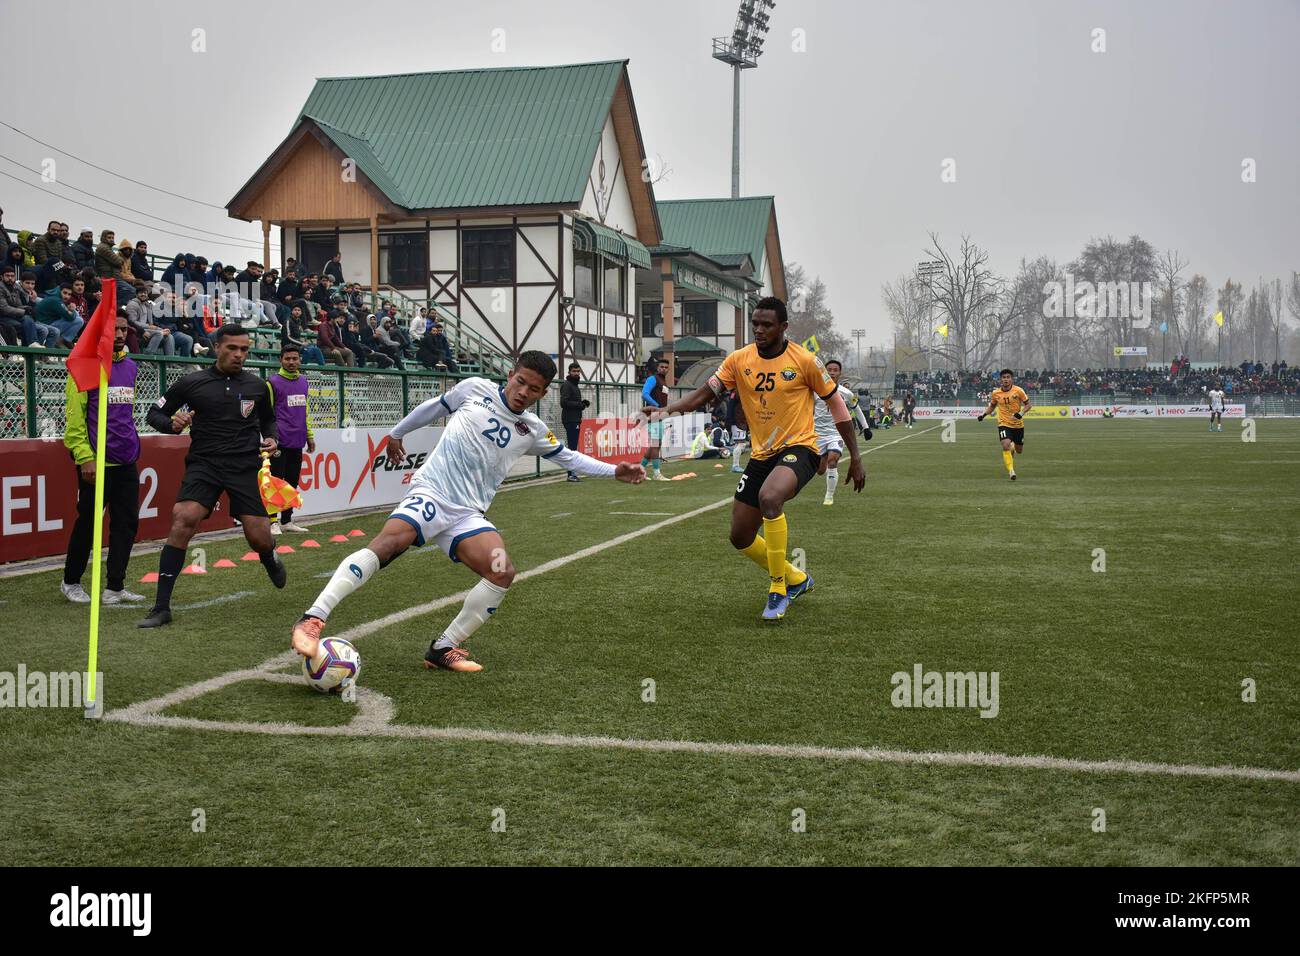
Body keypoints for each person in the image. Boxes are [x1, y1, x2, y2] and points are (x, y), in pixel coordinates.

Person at [289, 352, 646, 672]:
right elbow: (435, 407)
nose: (523, 391)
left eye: (534, 389)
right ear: (510, 374)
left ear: (542, 393)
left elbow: (569, 457)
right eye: (520, 381)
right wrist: (397, 433)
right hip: (433, 491)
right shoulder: (475, 388)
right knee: (389, 543)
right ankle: (312, 619)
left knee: (501, 572)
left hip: (467, 513)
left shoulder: (532, 430)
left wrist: (613, 470)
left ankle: (443, 648)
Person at [646, 296, 865, 621]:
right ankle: (796, 578)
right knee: (740, 536)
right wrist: (667, 410)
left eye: (767, 325)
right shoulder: (739, 360)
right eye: (756, 324)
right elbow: (706, 393)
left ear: (783, 327)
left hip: (802, 448)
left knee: (770, 497)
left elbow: (837, 405)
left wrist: (856, 457)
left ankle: (779, 588)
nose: (759, 330)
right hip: (762, 454)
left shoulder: (804, 360)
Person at [137, 325, 287, 628]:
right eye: (232, 348)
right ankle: (161, 607)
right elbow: (154, 413)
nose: (239, 354)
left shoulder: (258, 386)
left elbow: (268, 420)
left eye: (244, 349)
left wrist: (272, 439)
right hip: (204, 464)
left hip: (244, 466)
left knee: (259, 538)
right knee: (183, 519)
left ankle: (269, 556)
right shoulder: (192, 383)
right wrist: (172, 423)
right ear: (216, 347)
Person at [61, 311, 146, 605]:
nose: (120, 335)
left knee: (126, 525)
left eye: (124, 329)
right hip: (96, 463)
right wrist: (84, 457)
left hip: (126, 462)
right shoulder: (84, 368)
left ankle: (115, 586)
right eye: (115, 330)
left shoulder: (131, 367)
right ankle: (71, 581)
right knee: (88, 524)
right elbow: (74, 421)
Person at [267, 345, 316, 534]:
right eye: (287, 359)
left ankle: (287, 521)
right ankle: (272, 521)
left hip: (298, 440)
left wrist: (309, 435)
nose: (291, 362)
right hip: (278, 442)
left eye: (295, 358)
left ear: (300, 360)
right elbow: (267, 414)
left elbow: (305, 411)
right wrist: (270, 437)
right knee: (275, 482)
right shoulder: (272, 383)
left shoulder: (304, 381)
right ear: (281, 360)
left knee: (292, 482)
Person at [814, 359, 871, 506]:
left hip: (836, 433)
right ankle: (824, 458)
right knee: (820, 470)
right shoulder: (815, 390)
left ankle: (829, 496)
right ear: (824, 372)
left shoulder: (846, 393)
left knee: (833, 461)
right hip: (817, 434)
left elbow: (856, 409)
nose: (832, 372)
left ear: (840, 373)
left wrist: (866, 428)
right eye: (829, 370)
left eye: (835, 370)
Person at [978, 368, 1031, 480]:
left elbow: (1028, 405)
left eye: (1008, 377)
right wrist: (983, 415)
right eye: (1003, 377)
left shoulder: (1018, 391)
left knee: (1019, 450)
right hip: (1003, 423)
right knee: (1005, 444)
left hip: (1018, 425)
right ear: (1000, 380)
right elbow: (992, 406)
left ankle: (1013, 447)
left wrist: (1020, 414)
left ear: (1012, 379)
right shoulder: (996, 393)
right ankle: (1011, 471)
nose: (1006, 379)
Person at [640, 357, 672, 481]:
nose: (664, 369)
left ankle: (639, 471)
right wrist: (657, 406)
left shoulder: (663, 382)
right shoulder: (653, 379)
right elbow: (645, 393)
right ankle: (656, 473)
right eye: (661, 367)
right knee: (655, 445)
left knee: (654, 445)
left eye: (666, 367)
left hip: (659, 417)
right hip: (653, 416)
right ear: (657, 368)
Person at [558, 362, 589, 481]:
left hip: (574, 419)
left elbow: (572, 402)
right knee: (572, 448)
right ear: (569, 372)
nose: (576, 373)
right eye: (574, 371)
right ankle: (571, 474)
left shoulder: (574, 385)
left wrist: (582, 404)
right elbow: (563, 403)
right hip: (570, 420)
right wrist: (579, 405)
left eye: (578, 371)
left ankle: (572, 472)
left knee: (573, 447)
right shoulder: (567, 385)